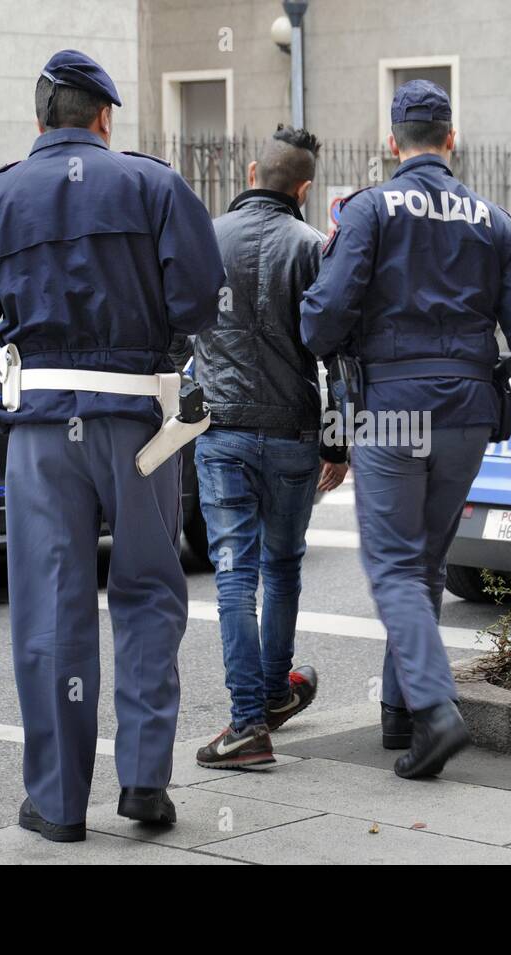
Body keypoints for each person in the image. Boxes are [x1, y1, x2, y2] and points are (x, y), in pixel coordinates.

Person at [0, 50, 224, 842]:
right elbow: (201, 301)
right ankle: (145, 786)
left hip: (37, 436)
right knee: (149, 596)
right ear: (103, 118)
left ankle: (59, 804)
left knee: (52, 609)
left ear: (39, 123)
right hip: (141, 428)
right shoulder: (157, 186)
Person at [301, 80, 511, 779]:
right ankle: (403, 715)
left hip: (396, 407)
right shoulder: (493, 220)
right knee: (423, 561)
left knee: (391, 563)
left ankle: (437, 707)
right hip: (470, 415)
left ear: (395, 143)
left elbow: (324, 316)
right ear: (451, 139)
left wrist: (322, 337)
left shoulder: (371, 210)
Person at [185, 125, 348, 769]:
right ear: (303, 189)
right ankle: (275, 694)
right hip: (294, 434)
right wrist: (339, 440)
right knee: (283, 568)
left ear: (252, 171)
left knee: (235, 574)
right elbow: (336, 349)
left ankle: (248, 723)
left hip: (222, 432)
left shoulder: (205, 242)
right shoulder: (314, 248)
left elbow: (178, 327)